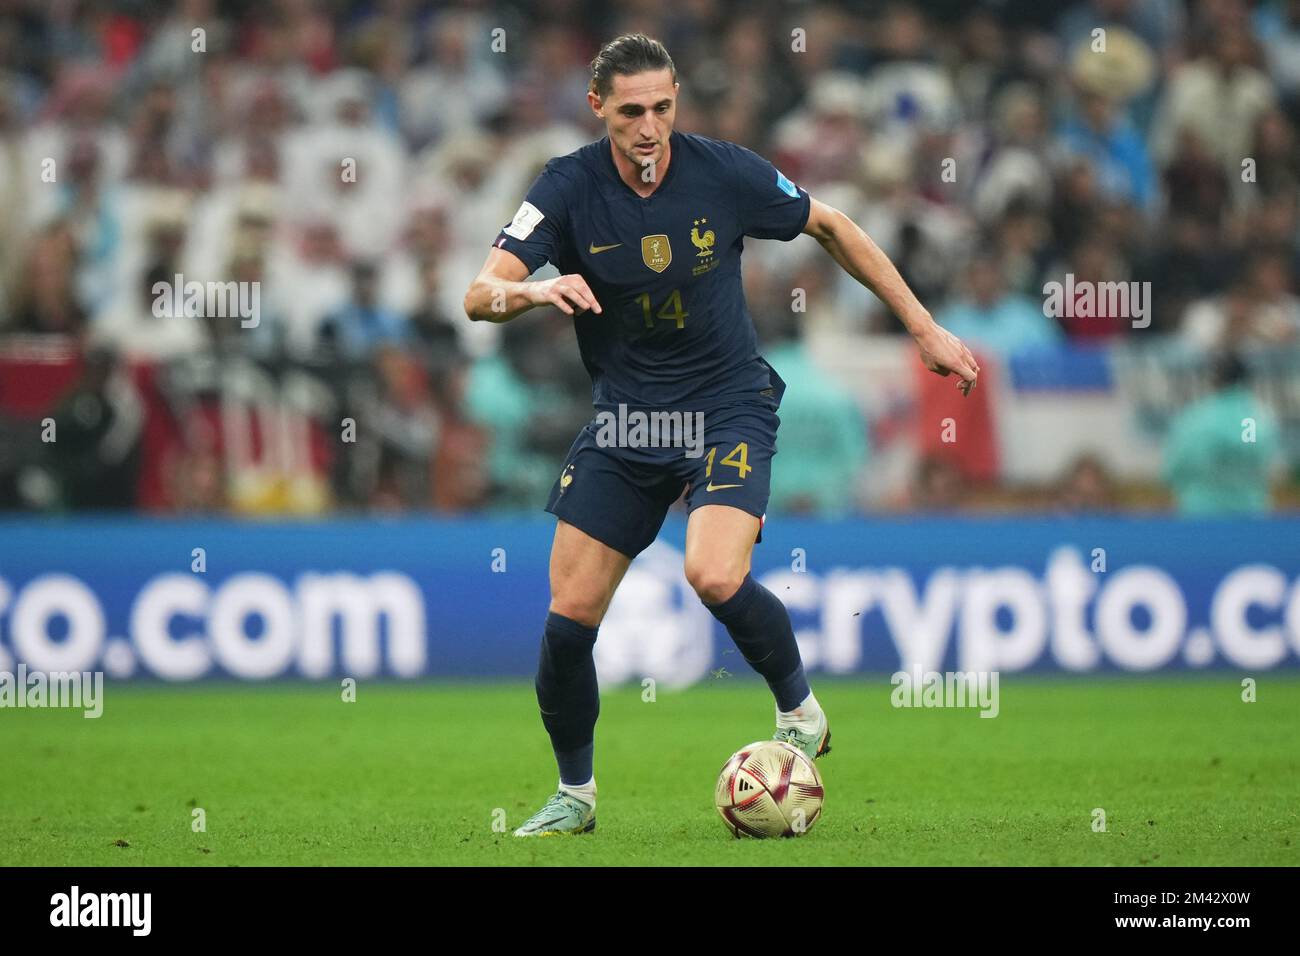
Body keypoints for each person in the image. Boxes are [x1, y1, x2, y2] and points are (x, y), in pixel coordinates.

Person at [463, 34, 979, 837]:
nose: (649, 128)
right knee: (569, 617)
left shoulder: (723, 172)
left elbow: (833, 226)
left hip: (725, 407)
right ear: (597, 107)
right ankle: (575, 796)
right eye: (630, 111)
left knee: (710, 572)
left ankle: (800, 711)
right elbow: (478, 296)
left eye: (662, 108)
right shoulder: (565, 187)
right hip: (628, 421)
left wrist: (923, 327)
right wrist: (533, 293)